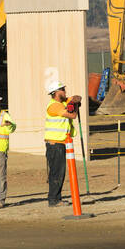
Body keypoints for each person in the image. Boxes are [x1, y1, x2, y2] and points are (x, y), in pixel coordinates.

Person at [43, 79, 82, 207]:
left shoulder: (63, 101)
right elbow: (72, 116)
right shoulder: (54, 106)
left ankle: (56, 198)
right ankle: (53, 200)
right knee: (57, 172)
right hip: (55, 144)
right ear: (56, 92)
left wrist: (75, 100)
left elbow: (75, 97)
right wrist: (74, 106)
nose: (65, 91)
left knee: (60, 172)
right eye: (63, 90)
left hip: (60, 143)